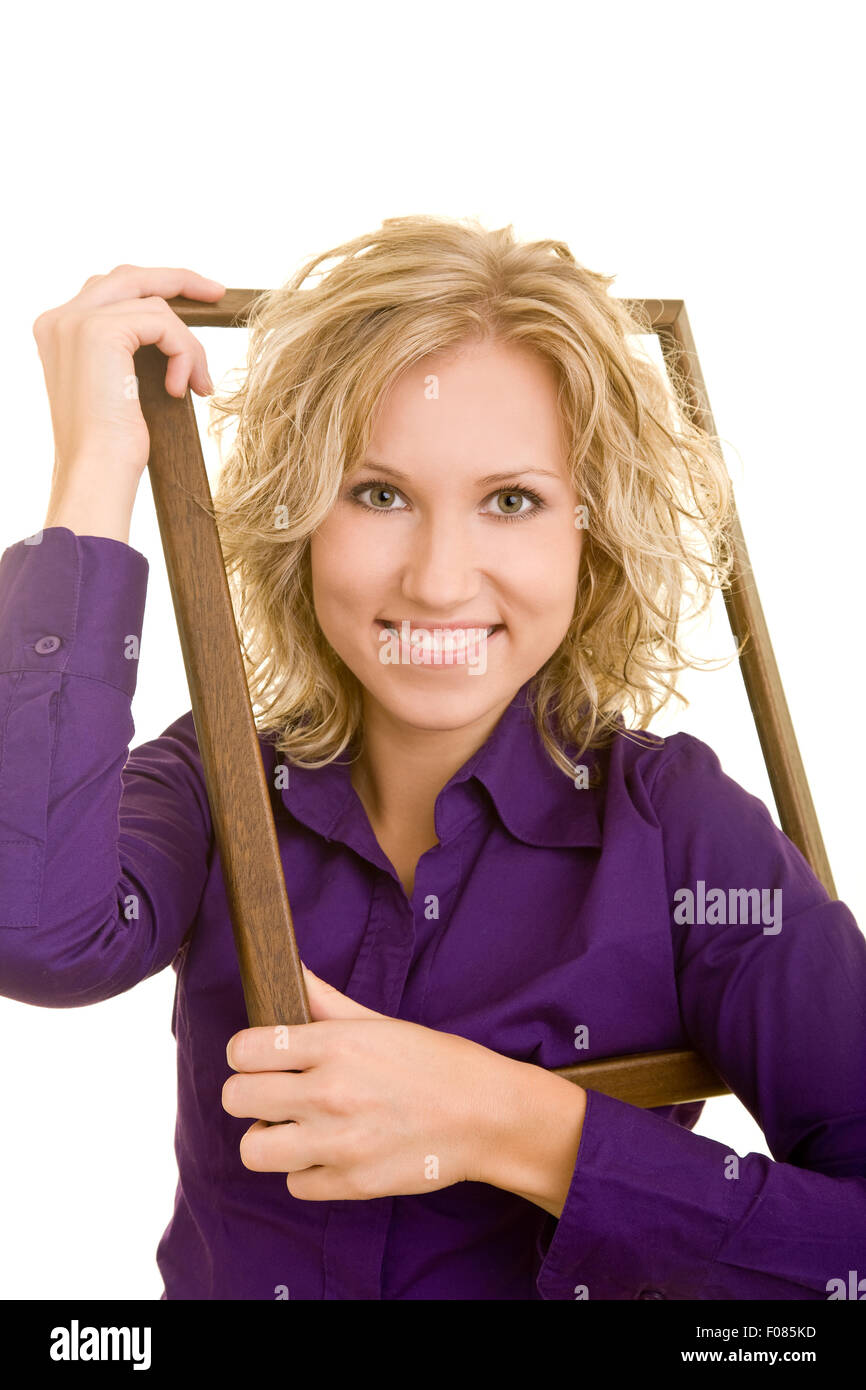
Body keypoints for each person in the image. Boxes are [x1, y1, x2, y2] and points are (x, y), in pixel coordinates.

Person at [1, 215, 863, 1300]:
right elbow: (31, 934)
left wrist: (513, 1123)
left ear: (586, 534)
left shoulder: (681, 832)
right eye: (377, 493)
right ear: (300, 515)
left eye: (511, 500)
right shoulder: (216, 775)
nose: (440, 579)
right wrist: (94, 470)